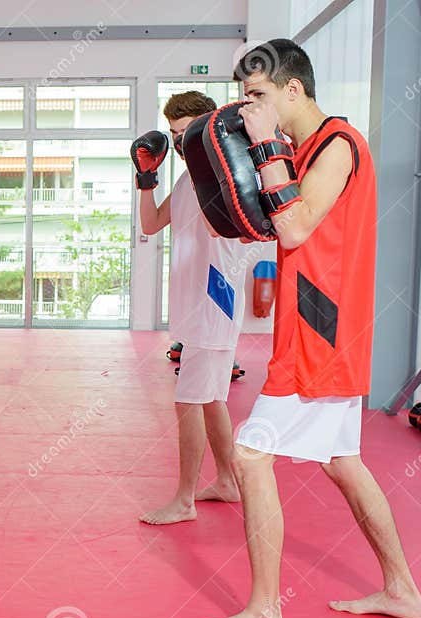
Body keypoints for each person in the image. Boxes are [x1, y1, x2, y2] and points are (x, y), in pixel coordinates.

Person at [185, 39, 421, 618]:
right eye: (242, 98)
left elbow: (294, 227)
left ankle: (265, 614)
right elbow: (282, 232)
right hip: (321, 327)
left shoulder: (338, 146)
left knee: (250, 456)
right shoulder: (305, 150)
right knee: (343, 463)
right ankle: (402, 588)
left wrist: (264, 144)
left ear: (294, 90)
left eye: (258, 96)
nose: (247, 109)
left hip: (322, 336)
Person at [134, 91, 248, 525]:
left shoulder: (225, 176)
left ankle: (183, 500)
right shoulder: (186, 180)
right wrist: (146, 181)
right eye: (176, 135)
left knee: (188, 401)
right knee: (213, 399)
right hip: (192, 302)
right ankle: (228, 481)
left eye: (190, 133)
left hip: (213, 302)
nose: (182, 144)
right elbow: (150, 224)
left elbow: (238, 234)